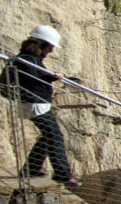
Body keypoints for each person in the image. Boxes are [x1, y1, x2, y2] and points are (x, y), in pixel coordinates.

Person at [9, 25, 80, 188]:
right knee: (55, 136)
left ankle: (30, 169)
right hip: (35, 104)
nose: (52, 51)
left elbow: (35, 77)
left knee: (48, 136)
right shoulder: (27, 59)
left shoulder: (30, 58)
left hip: (35, 103)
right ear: (42, 44)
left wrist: (54, 77)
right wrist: (52, 77)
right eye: (51, 47)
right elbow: (34, 78)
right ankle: (63, 175)